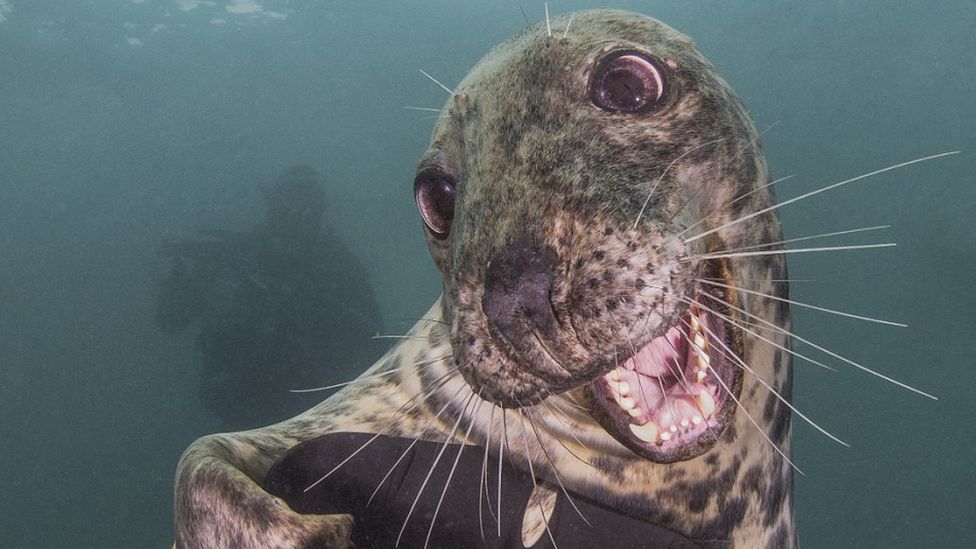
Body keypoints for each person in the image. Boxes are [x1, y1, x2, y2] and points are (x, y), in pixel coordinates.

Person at [155, 165, 385, 429]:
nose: (299, 211)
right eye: (291, 199)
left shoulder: (341, 267)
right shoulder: (236, 254)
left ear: (320, 209)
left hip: (319, 415)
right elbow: (170, 319)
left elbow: (376, 344)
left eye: (308, 202)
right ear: (273, 204)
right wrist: (180, 280)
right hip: (243, 408)